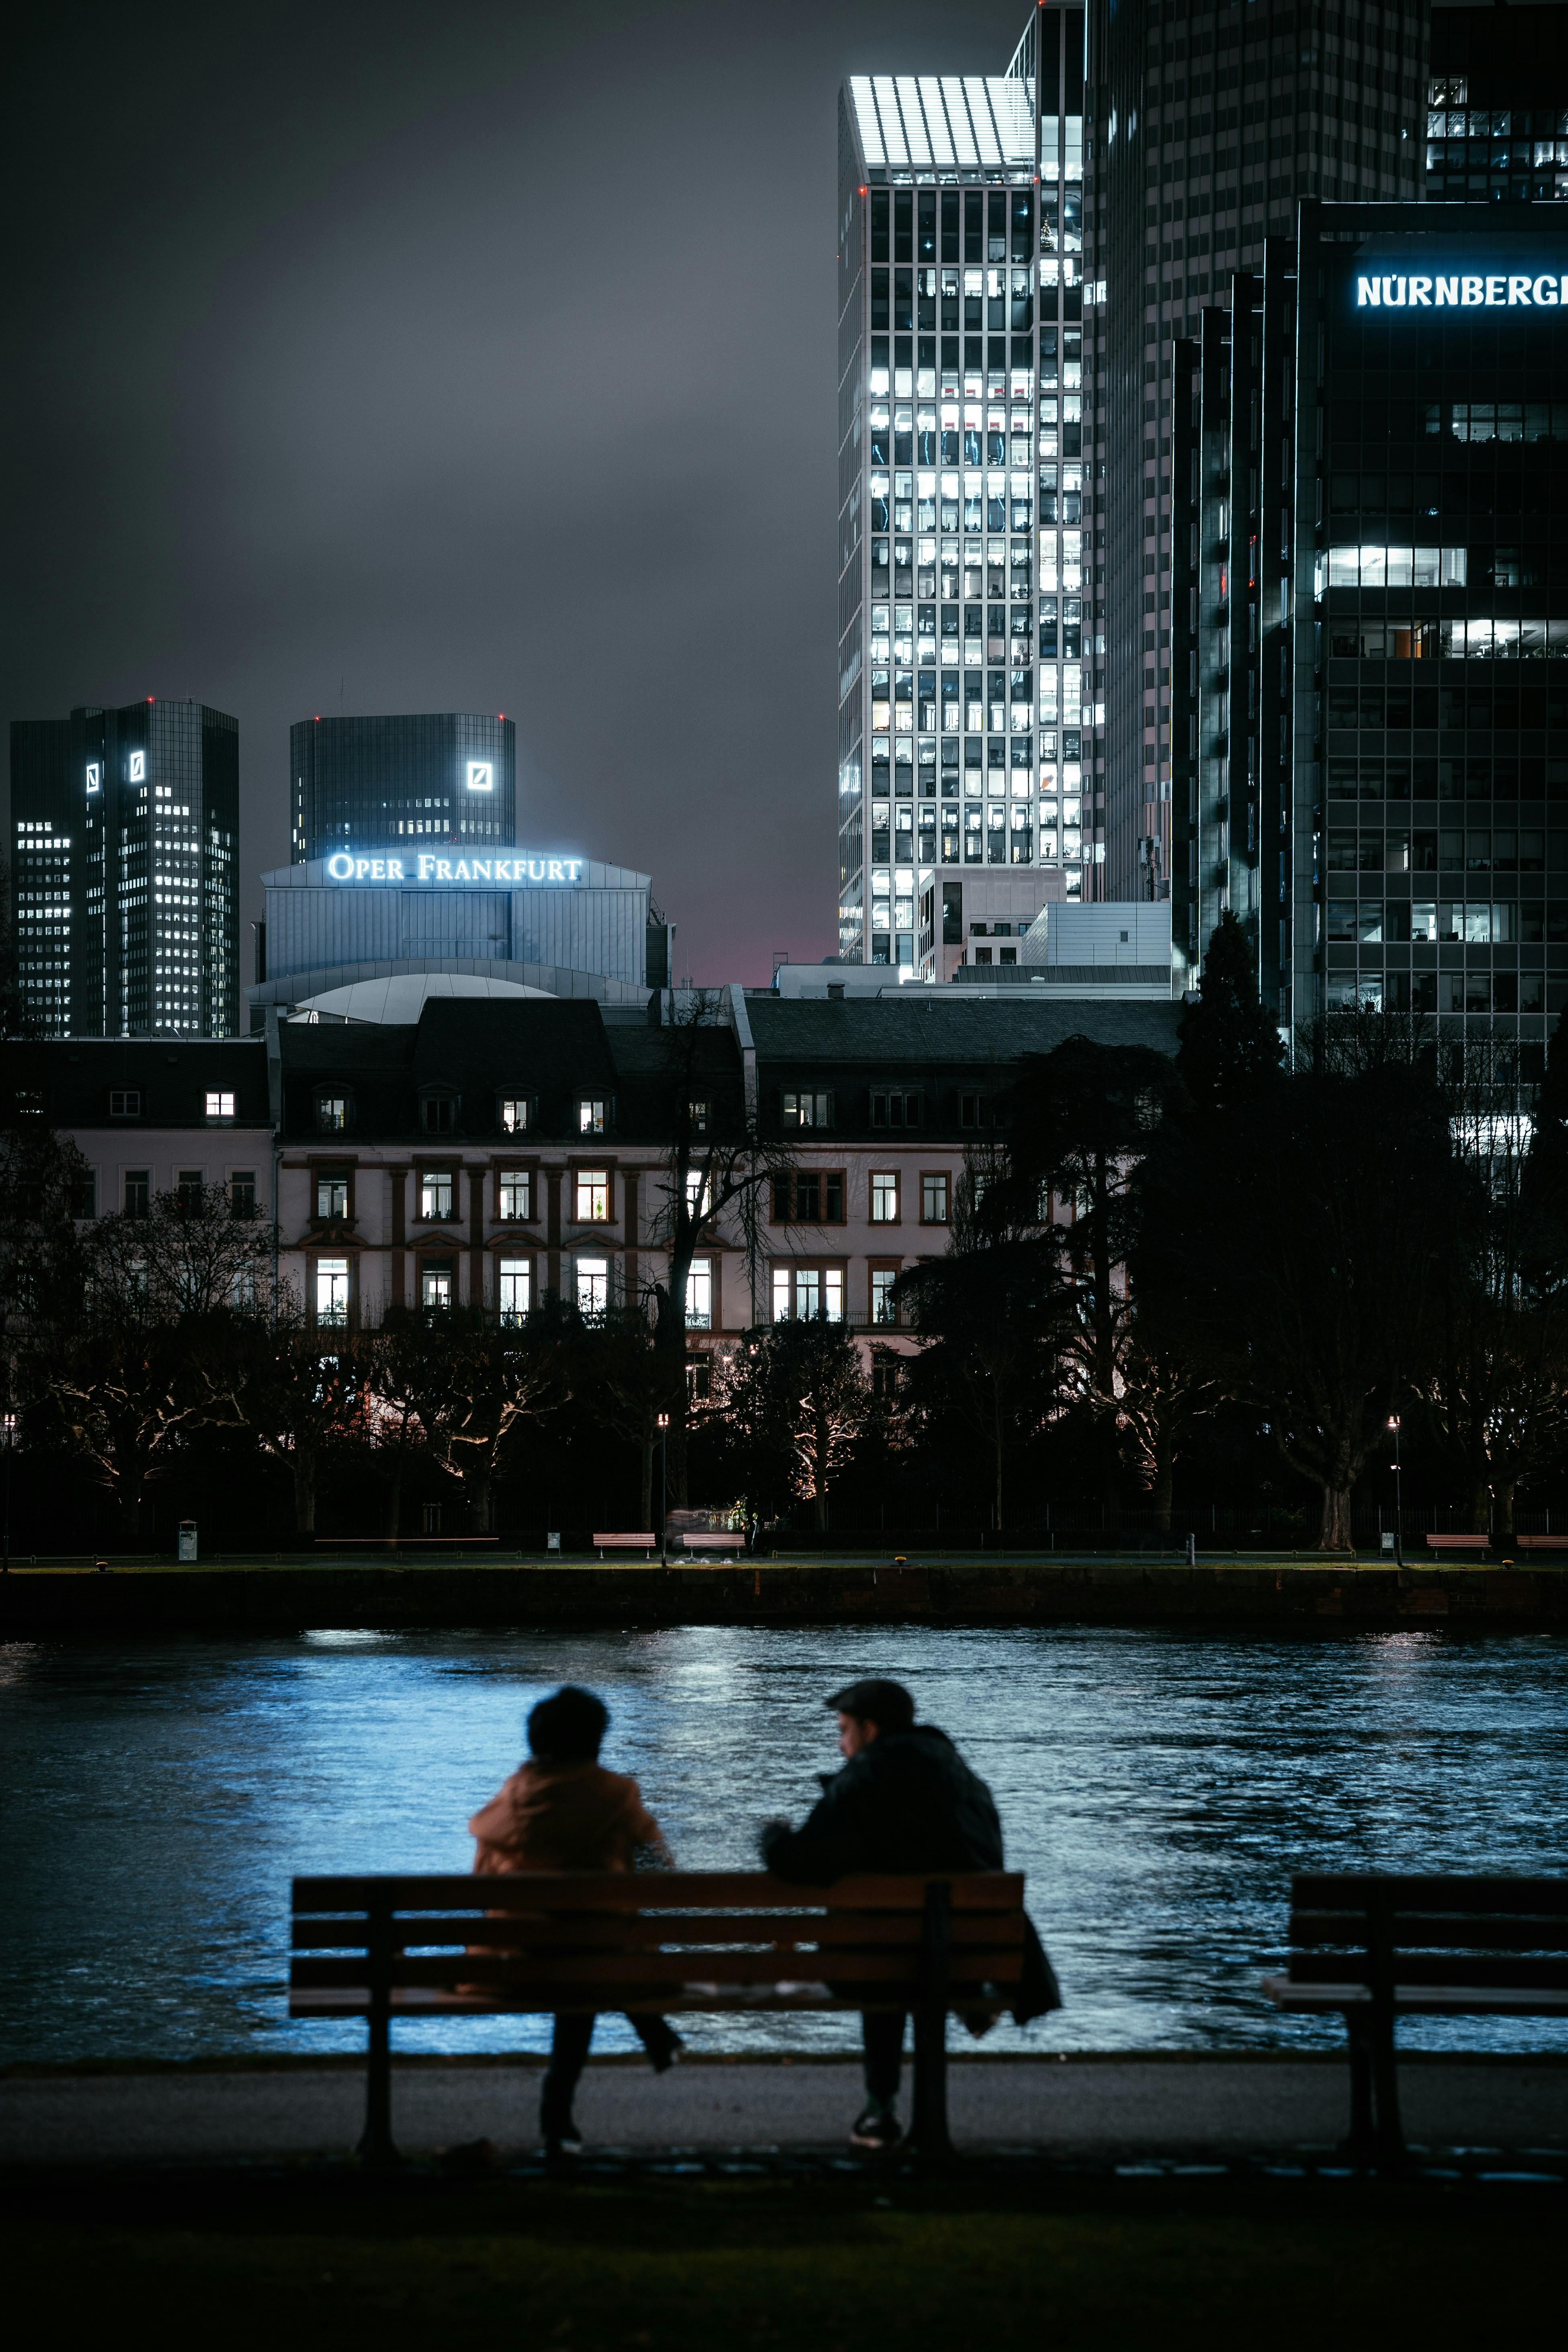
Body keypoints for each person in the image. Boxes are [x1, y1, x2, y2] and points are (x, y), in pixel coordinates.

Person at [759, 1676, 1060, 2150]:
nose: (840, 1744)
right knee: (905, 1947)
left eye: (843, 1729)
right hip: (970, 1958)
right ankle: (963, 2005)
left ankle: (879, 2110)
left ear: (870, 1729)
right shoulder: (961, 1775)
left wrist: (773, 1837)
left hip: (874, 1963)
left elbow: (802, 1862)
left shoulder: (863, 1778)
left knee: (880, 1951)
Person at [468, 1683, 683, 2157]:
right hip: (601, 1963)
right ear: (596, 1740)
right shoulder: (618, 1799)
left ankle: (559, 2117)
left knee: (575, 1954)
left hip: (514, 1967)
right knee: (594, 1952)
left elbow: (481, 1887)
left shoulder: (504, 1807)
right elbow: (661, 1876)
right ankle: (649, 2030)